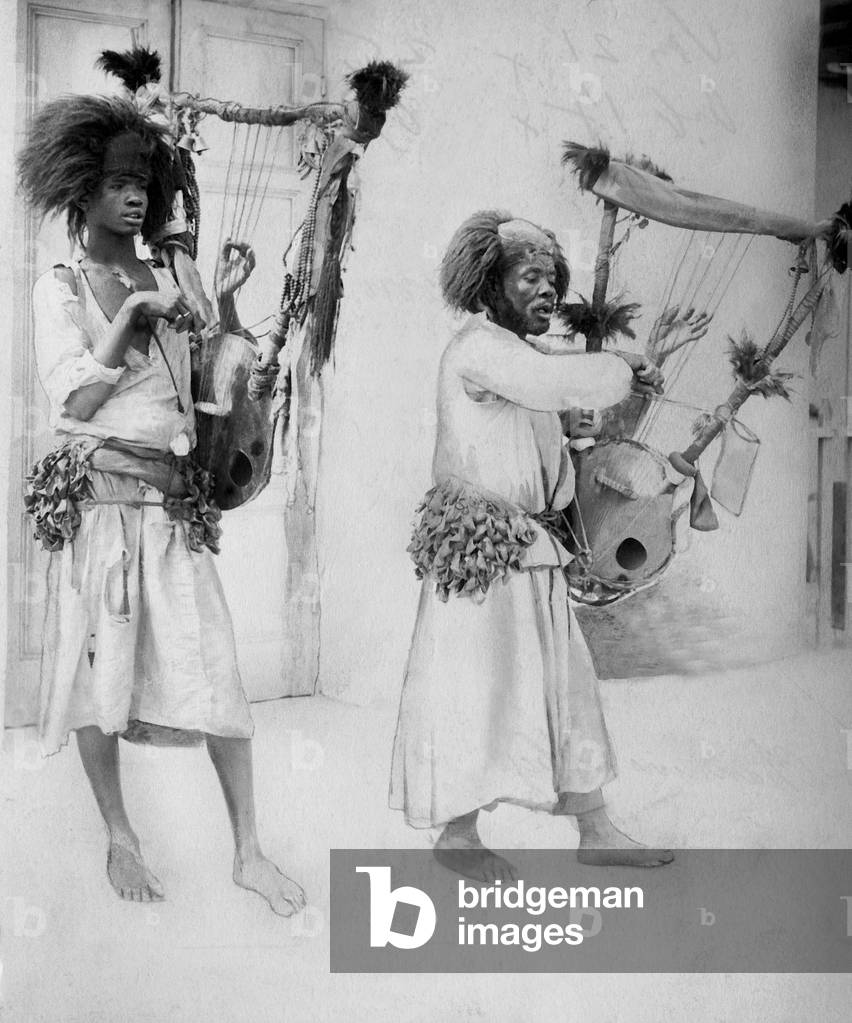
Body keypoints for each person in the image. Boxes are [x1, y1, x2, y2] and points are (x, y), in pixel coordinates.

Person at [17, 93, 305, 915]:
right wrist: (136, 312)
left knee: (218, 676)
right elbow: (71, 402)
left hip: (173, 512)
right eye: (115, 182)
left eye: (143, 180)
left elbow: (210, 374)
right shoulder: (61, 286)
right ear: (81, 190)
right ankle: (120, 835)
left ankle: (249, 851)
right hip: (108, 509)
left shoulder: (172, 271)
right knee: (98, 680)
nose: (134, 195)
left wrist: (232, 306)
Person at [390, 210, 677, 881]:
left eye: (552, 277)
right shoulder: (480, 349)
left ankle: (595, 825)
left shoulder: (520, 356)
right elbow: (555, 385)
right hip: (483, 558)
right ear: (491, 284)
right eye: (531, 275)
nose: (548, 290)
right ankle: (457, 835)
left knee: (565, 688)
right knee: (476, 688)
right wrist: (623, 368)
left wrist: (577, 438)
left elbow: (550, 426)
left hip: (531, 553)